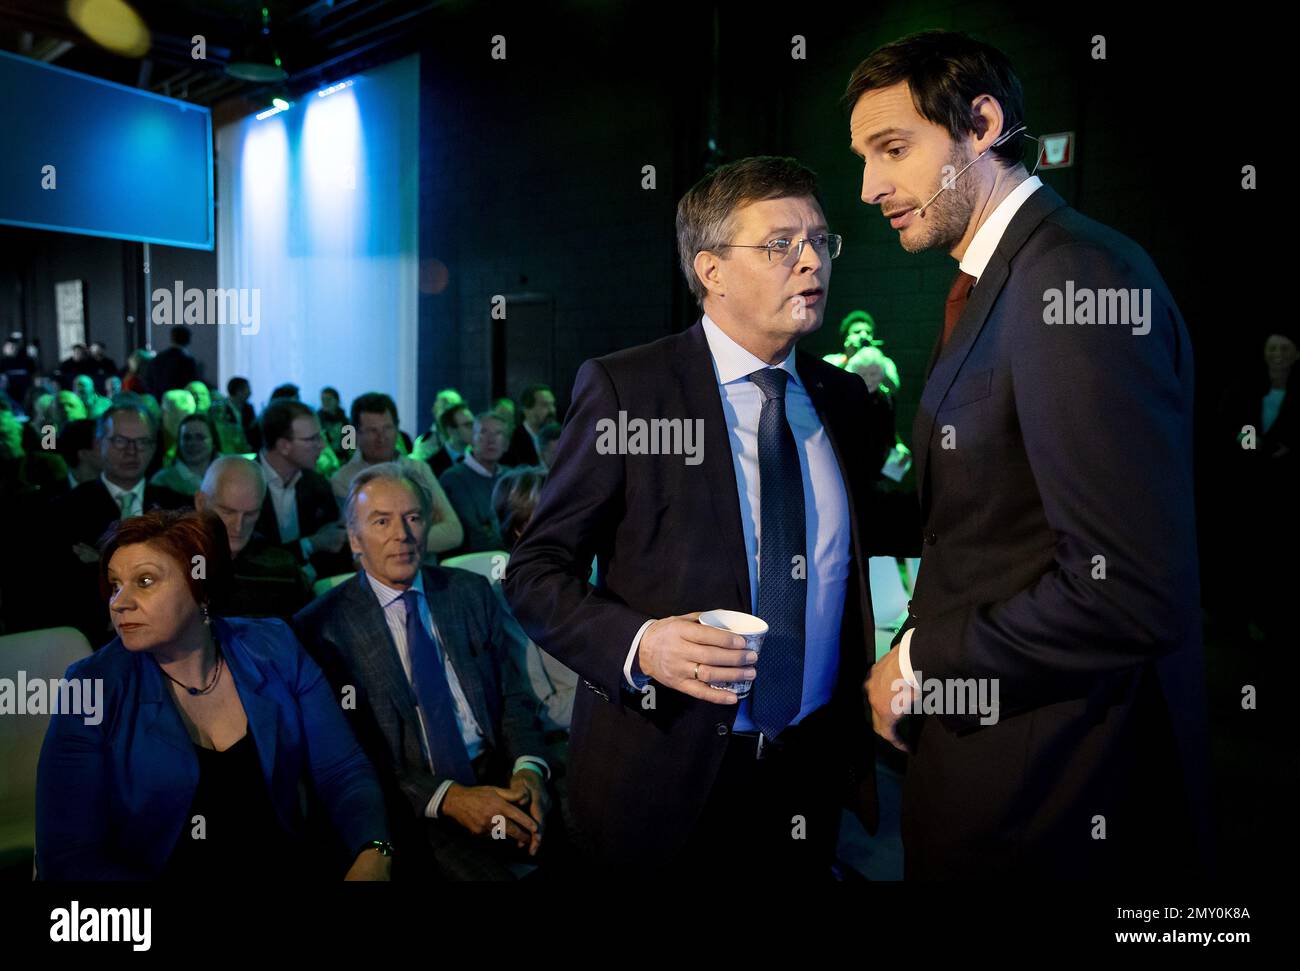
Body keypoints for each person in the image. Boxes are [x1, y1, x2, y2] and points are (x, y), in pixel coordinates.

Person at [846, 30, 1209, 878]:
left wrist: (921, 659)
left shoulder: (1072, 278)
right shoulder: (1000, 278)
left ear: (980, 123)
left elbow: (1127, 591)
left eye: (892, 150)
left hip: (1055, 791)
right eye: (864, 159)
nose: (869, 187)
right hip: (1001, 768)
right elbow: (987, 529)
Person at [505, 155, 919, 874]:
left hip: (807, 771)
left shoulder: (847, 401)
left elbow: (886, 541)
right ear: (711, 270)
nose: (809, 260)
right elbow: (536, 570)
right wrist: (640, 643)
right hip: (663, 772)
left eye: (820, 240)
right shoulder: (628, 389)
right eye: (779, 244)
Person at [35, 509, 392, 880]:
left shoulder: (274, 645)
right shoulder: (91, 686)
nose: (119, 602)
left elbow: (343, 770)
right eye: (114, 585)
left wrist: (375, 850)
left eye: (144, 581)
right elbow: (68, 857)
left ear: (201, 587)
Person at [292, 463, 555, 880]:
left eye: (413, 517)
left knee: (605, 836)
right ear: (355, 540)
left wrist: (528, 769)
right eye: (382, 521)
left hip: (499, 771)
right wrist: (450, 799)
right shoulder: (322, 627)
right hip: (414, 800)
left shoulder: (468, 593)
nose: (403, 534)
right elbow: (352, 754)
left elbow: (512, 697)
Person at [49, 402, 190, 644]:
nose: (132, 451)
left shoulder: (178, 508)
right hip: (91, 641)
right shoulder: (64, 510)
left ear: (154, 447)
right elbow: (58, 588)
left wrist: (101, 561)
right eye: (120, 441)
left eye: (142, 442)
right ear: (98, 444)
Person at [331, 392, 463, 560]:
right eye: (372, 431)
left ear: (397, 428)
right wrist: (423, 526)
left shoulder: (419, 469)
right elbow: (358, 547)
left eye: (387, 428)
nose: (382, 438)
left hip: (426, 574)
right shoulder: (344, 479)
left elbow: (454, 533)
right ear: (356, 433)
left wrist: (383, 540)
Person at [195, 456, 312, 619]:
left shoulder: (283, 569)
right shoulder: (175, 560)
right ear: (201, 503)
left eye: (250, 514)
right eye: (227, 512)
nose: (238, 526)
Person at [254, 399, 351, 579]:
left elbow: (333, 550)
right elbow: (249, 559)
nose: (322, 446)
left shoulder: (318, 484)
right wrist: (310, 544)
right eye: (313, 439)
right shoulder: (243, 484)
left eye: (320, 436)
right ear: (284, 446)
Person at [438, 412, 509, 556]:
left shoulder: (511, 477)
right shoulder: (453, 479)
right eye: (483, 432)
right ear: (472, 439)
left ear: (506, 444)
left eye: (498, 433)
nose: (491, 440)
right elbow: (475, 537)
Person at [151, 412, 221, 496]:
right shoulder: (162, 481)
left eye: (200, 437)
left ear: (214, 442)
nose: (193, 443)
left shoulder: (228, 473)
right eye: (187, 437)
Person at [501, 384, 555, 467]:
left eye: (552, 404)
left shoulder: (560, 436)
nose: (552, 410)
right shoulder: (512, 441)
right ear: (527, 410)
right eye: (545, 405)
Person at [426, 402, 473, 478]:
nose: (473, 429)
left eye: (473, 424)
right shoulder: (432, 465)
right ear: (451, 430)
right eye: (467, 425)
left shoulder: (481, 459)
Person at [146, 327, 199, 394]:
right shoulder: (187, 361)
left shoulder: (158, 359)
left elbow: (150, 381)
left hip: (159, 400)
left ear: (172, 338)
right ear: (188, 340)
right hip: (180, 401)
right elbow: (192, 385)